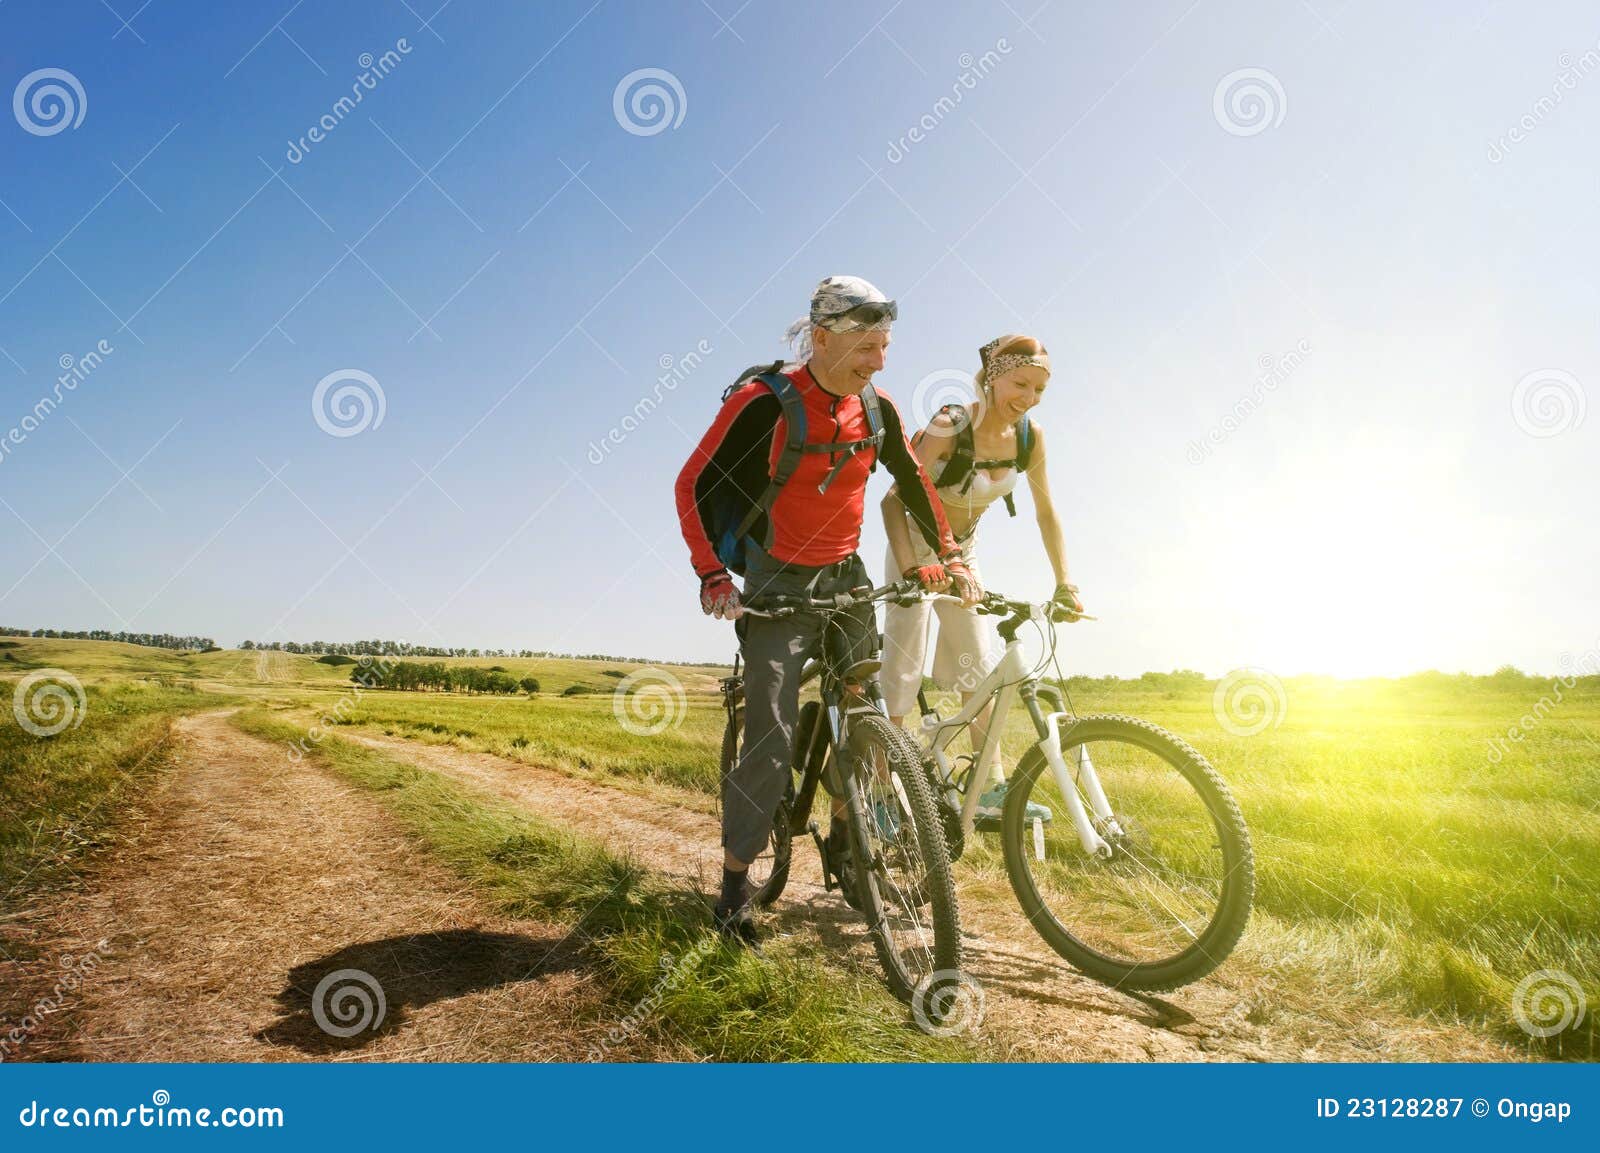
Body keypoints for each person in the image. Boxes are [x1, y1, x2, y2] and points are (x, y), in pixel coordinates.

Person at [674, 275, 980, 943]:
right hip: (777, 583)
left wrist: (950, 553)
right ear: (822, 338)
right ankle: (733, 888)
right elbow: (690, 481)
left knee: (867, 715)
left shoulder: (878, 409)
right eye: (868, 346)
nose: (880, 360)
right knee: (771, 736)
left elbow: (914, 479)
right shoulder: (764, 403)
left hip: (846, 578)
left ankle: (848, 839)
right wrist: (710, 574)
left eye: (885, 346)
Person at [880, 333, 1084, 828]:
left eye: (1038, 389)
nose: (1028, 398)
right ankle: (884, 792)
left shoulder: (1030, 439)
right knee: (904, 659)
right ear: (992, 377)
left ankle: (989, 786)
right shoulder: (951, 425)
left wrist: (1066, 583)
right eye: (1020, 383)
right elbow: (893, 499)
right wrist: (913, 568)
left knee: (978, 664)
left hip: (963, 552)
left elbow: (1046, 511)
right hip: (916, 541)